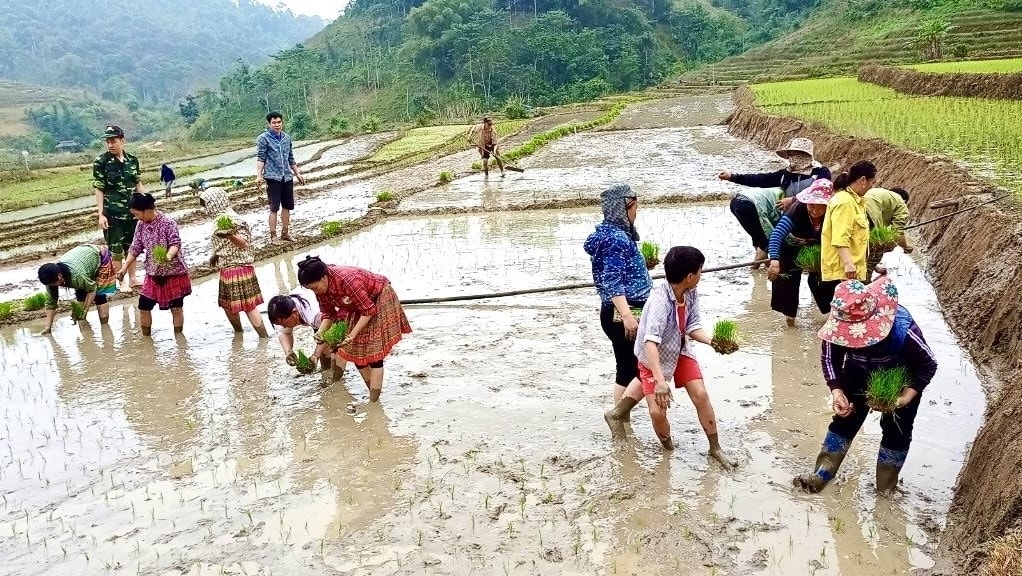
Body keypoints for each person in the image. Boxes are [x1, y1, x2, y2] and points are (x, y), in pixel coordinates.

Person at [793, 277, 937, 494]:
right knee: (844, 420)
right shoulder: (839, 325)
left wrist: (906, 397)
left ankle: (885, 488)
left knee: (897, 430)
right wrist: (837, 391)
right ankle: (822, 473)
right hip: (857, 373)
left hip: (900, 381)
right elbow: (829, 359)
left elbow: (928, 365)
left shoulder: (902, 331)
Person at [603, 246, 738, 470]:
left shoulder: (690, 293)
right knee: (657, 412)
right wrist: (660, 382)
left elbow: (692, 326)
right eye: (700, 271)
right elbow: (650, 342)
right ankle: (669, 452)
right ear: (690, 276)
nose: (701, 275)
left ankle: (715, 448)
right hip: (654, 357)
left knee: (701, 394)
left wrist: (712, 341)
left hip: (680, 350)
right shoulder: (659, 301)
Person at [583, 184, 653, 425]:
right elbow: (611, 279)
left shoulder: (608, 234)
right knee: (642, 368)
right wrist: (627, 316)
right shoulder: (616, 239)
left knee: (626, 368)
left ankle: (621, 420)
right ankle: (618, 415)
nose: (637, 213)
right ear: (626, 206)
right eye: (635, 208)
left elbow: (616, 271)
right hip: (625, 309)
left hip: (620, 309)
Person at [297, 256, 412, 402]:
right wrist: (321, 331)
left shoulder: (347, 280)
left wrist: (351, 335)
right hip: (356, 306)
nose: (316, 292)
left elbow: (369, 310)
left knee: (374, 353)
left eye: (315, 287)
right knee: (356, 353)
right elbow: (328, 313)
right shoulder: (321, 289)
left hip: (378, 297)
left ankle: (374, 403)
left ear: (324, 277)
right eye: (311, 289)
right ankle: (373, 393)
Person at [198, 183, 269, 337]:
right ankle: (239, 334)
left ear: (215, 203)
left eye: (206, 205)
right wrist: (216, 254)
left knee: (248, 306)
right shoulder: (220, 219)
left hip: (238, 267)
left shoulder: (232, 219)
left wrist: (230, 234)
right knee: (228, 306)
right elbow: (223, 243)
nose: (205, 210)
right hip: (227, 267)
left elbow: (243, 242)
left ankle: (263, 338)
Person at [116, 193, 191, 336]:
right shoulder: (140, 225)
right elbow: (135, 247)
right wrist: (124, 268)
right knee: (143, 306)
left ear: (147, 210)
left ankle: (180, 342)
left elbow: (176, 243)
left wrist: (168, 256)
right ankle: (146, 340)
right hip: (153, 273)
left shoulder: (168, 223)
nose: (136, 217)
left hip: (173, 272)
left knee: (176, 308)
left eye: (137, 214)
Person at [766, 179, 836, 326]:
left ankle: (832, 314)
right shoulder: (797, 210)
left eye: (820, 207)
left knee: (822, 279)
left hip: (815, 248)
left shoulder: (834, 212)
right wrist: (774, 259)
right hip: (790, 247)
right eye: (812, 205)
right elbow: (777, 234)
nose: (815, 211)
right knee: (787, 280)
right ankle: (790, 319)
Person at [718, 137, 831, 213]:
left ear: (805, 156)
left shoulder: (820, 172)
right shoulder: (786, 174)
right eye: (790, 155)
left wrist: (792, 200)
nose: (792, 158)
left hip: (815, 213)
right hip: (791, 215)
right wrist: (732, 177)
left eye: (795, 154)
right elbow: (760, 179)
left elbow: (820, 193)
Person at [93, 125, 144, 290]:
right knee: (116, 249)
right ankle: (120, 281)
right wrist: (101, 214)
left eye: (113, 141)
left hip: (132, 213)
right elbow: (99, 188)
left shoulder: (132, 160)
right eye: (108, 142)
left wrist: (145, 204)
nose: (110, 145)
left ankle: (133, 278)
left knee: (132, 246)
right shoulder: (101, 162)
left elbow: (138, 183)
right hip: (112, 214)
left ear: (122, 141)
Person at [37, 244, 119, 334]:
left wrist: (83, 312)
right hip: (81, 262)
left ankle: (105, 328)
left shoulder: (77, 276)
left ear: (59, 276)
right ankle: (85, 333)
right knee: (80, 296)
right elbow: (51, 303)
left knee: (100, 296)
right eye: (50, 285)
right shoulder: (50, 280)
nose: (53, 286)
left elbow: (92, 288)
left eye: (54, 284)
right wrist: (47, 328)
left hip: (99, 256)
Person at [821, 161, 876, 283]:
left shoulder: (855, 201)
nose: (872, 186)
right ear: (862, 180)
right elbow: (840, 237)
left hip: (851, 268)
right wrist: (848, 264)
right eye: (872, 182)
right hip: (844, 271)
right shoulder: (845, 202)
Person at [256, 111, 305, 243]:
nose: (277, 125)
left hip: (287, 177)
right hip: (273, 177)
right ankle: (273, 236)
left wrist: (297, 173)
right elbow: (261, 158)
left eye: (279, 122)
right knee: (274, 208)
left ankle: (285, 233)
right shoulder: (263, 138)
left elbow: (290, 157)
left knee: (287, 206)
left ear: (282, 122)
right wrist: (259, 176)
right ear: (269, 124)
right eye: (274, 122)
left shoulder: (286, 138)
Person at [267, 294, 333, 373]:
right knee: (323, 349)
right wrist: (288, 351)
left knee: (329, 348)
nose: (284, 327)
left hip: (331, 315)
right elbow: (284, 332)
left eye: (284, 323)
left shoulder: (313, 314)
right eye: (280, 324)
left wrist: (316, 355)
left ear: (294, 312)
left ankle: (331, 372)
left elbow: (329, 329)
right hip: (320, 321)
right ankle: (327, 371)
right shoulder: (283, 310)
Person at [726, 187, 781, 267]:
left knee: (757, 235)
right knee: (765, 240)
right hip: (748, 204)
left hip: (735, 202)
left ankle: (764, 265)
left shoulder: (778, 191)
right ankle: (755, 266)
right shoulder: (787, 199)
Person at [865, 186, 914, 273]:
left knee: (864, 247)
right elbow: (898, 234)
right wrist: (906, 247)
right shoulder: (901, 204)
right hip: (868, 217)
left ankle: (871, 266)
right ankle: (866, 279)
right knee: (881, 244)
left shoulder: (883, 196)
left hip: (856, 211)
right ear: (905, 201)